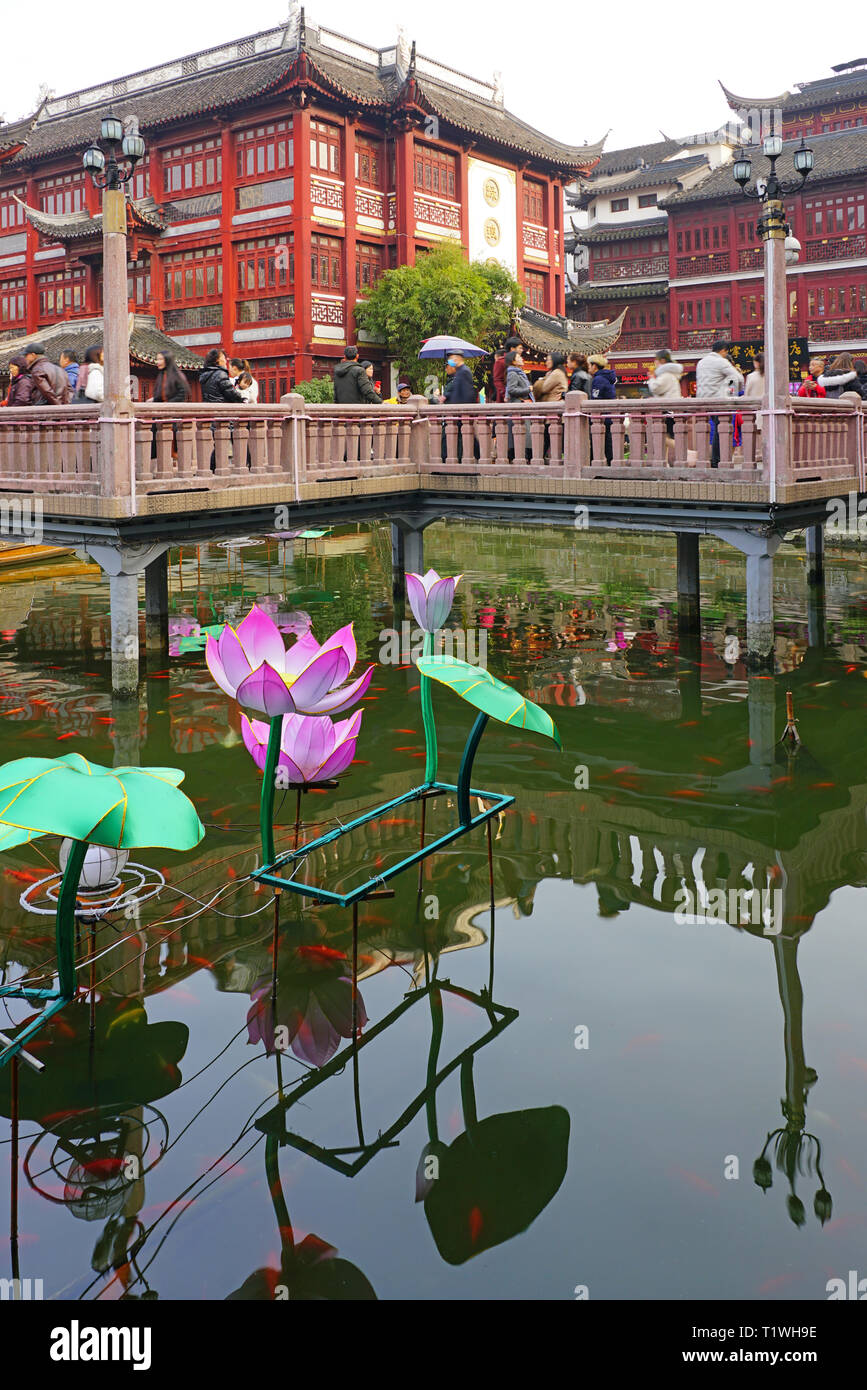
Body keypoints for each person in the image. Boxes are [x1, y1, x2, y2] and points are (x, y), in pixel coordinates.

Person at [696, 340, 743, 466]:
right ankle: (716, 461)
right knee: (720, 430)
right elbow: (738, 378)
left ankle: (712, 460)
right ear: (723, 350)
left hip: (703, 402)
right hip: (718, 401)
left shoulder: (701, 362)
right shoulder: (721, 361)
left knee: (713, 429)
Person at [647, 349, 683, 459]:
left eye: (656, 361)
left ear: (662, 361)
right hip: (671, 410)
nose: (655, 363)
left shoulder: (666, 375)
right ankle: (665, 462)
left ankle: (687, 451)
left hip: (666, 410)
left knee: (661, 437)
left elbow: (656, 388)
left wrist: (651, 379)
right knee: (664, 436)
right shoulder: (671, 374)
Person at [589, 355, 617, 464]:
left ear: (594, 365)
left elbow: (596, 398)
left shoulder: (598, 379)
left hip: (601, 417)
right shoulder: (607, 378)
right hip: (609, 416)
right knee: (607, 443)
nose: (588, 368)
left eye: (589, 365)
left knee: (601, 444)